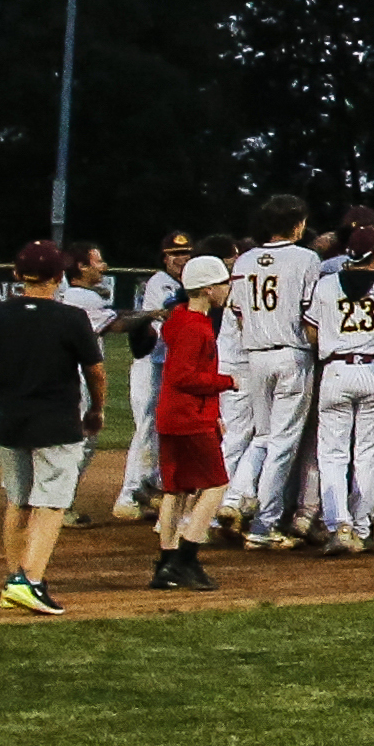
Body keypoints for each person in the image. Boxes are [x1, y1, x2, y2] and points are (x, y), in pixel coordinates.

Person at [0, 240, 106, 616]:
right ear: (60, 277)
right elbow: (95, 371)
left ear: (17, 274)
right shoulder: (71, 317)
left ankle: (15, 578)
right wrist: (97, 409)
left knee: (18, 500)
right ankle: (28, 581)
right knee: (52, 503)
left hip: (11, 418)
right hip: (57, 421)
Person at [303, 221, 374, 556]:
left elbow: (310, 333)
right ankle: (363, 525)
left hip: (336, 370)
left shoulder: (325, 285)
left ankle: (339, 523)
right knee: (368, 454)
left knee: (333, 455)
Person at [223, 196, 320, 547]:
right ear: (298, 224)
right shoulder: (307, 258)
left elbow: (236, 311)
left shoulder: (246, 259)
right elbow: (313, 314)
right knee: (282, 444)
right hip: (291, 354)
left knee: (261, 437)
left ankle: (233, 499)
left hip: (255, 356)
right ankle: (264, 526)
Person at [148, 249, 236, 590]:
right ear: (208, 290)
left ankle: (166, 562)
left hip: (176, 414)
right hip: (188, 416)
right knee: (216, 484)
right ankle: (187, 556)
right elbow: (186, 376)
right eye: (223, 284)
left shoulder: (179, 319)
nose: (227, 290)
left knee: (177, 488)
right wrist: (226, 382)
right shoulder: (195, 327)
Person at [114, 232, 194, 521]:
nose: (181, 258)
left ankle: (149, 489)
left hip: (163, 363)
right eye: (175, 254)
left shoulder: (178, 283)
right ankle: (129, 494)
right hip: (150, 363)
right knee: (147, 428)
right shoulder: (160, 283)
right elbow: (165, 322)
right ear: (164, 258)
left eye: (185, 253)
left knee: (157, 430)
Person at [55, 242, 123, 525]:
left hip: (62, 375)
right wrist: (152, 315)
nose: (103, 266)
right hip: (78, 377)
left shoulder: (71, 295)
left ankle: (51, 501)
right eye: (98, 261)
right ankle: (60, 505)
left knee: (70, 441)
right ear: (81, 267)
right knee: (82, 441)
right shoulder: (83, 297)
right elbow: (115, 324)